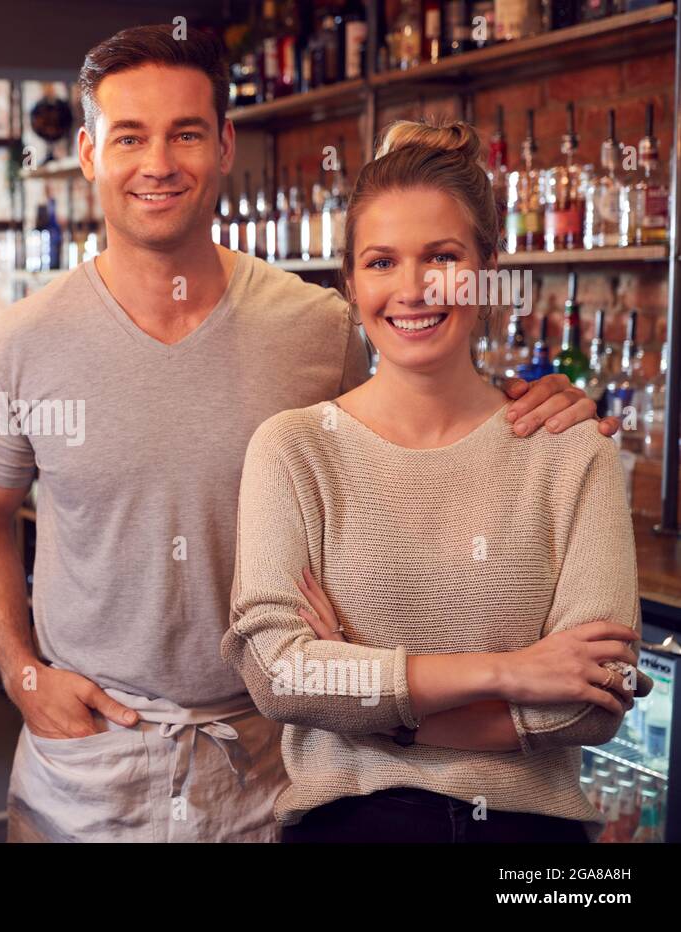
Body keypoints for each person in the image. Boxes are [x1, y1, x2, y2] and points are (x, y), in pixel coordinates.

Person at [0, 25, 615, 843]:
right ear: (89, 152)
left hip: (279, 767)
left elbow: (415, 415)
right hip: (92, 758)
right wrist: (24, 677)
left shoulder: (317, 325)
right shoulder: (23, 339)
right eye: (130, 136)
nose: (158, 162)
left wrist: (532, 406)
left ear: (225, 144)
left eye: (186, 133)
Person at [221, 118, 642, 843]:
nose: (412, 289)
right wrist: (510, 673)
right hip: (348, 829)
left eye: (441, 257)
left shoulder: (574, 453)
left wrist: (376, 707)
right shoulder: (293, 450)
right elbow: (280, 675)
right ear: (350, 283)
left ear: (487, 268)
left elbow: (594, 701)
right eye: (382, 262)